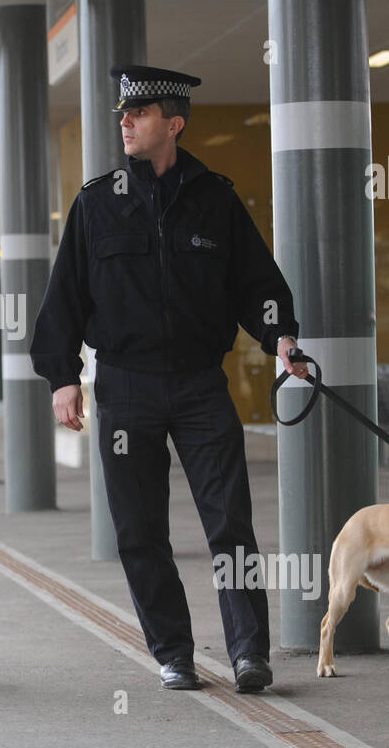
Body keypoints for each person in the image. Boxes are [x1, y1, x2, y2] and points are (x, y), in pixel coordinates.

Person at [30, 65, 307, 694]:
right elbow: (64, 299)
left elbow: (258, 285)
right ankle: (173, 652)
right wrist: (62, 378)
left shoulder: (216, 198)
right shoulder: (96, 204)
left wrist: (280, 336)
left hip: (200, 386)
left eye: (140, 113)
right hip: (125, 387)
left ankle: (247, 652)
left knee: (230, 519)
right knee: (139, 529)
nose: (125, 122)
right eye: (123, 114)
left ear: (173, 123)